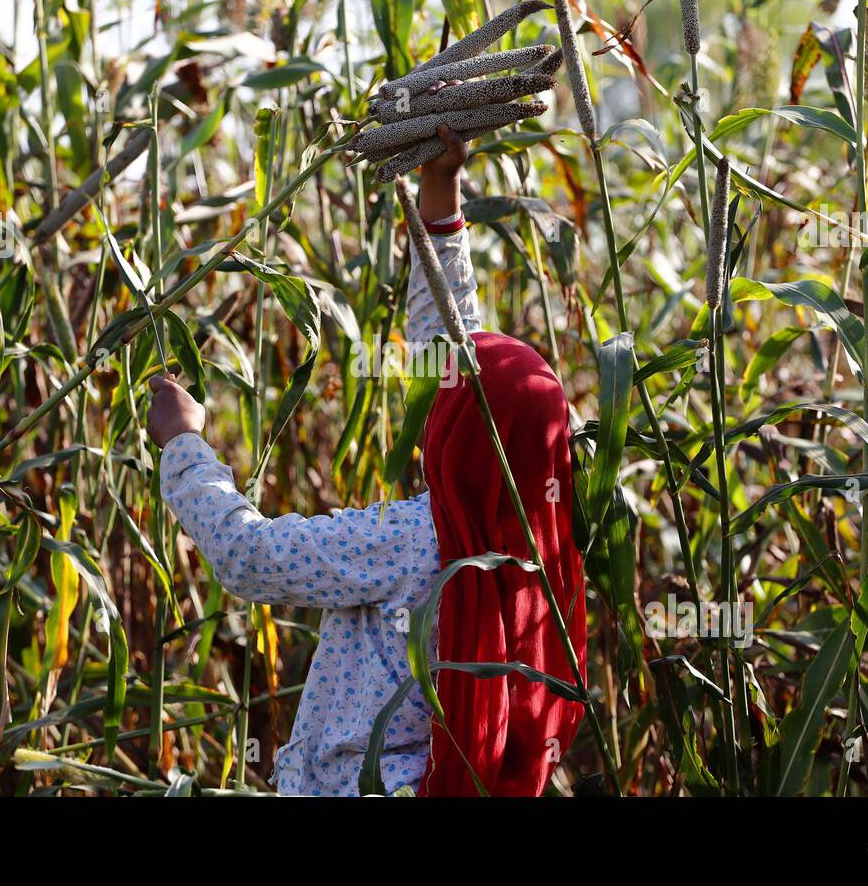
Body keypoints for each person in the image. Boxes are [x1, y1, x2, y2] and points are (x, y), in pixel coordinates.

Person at [147, 126, 586, 796]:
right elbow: (449, 342)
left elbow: (250, 557)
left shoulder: (409, 542)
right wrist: (441, 192)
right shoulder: (544, 551)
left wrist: (184, 446)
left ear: (458, 437)